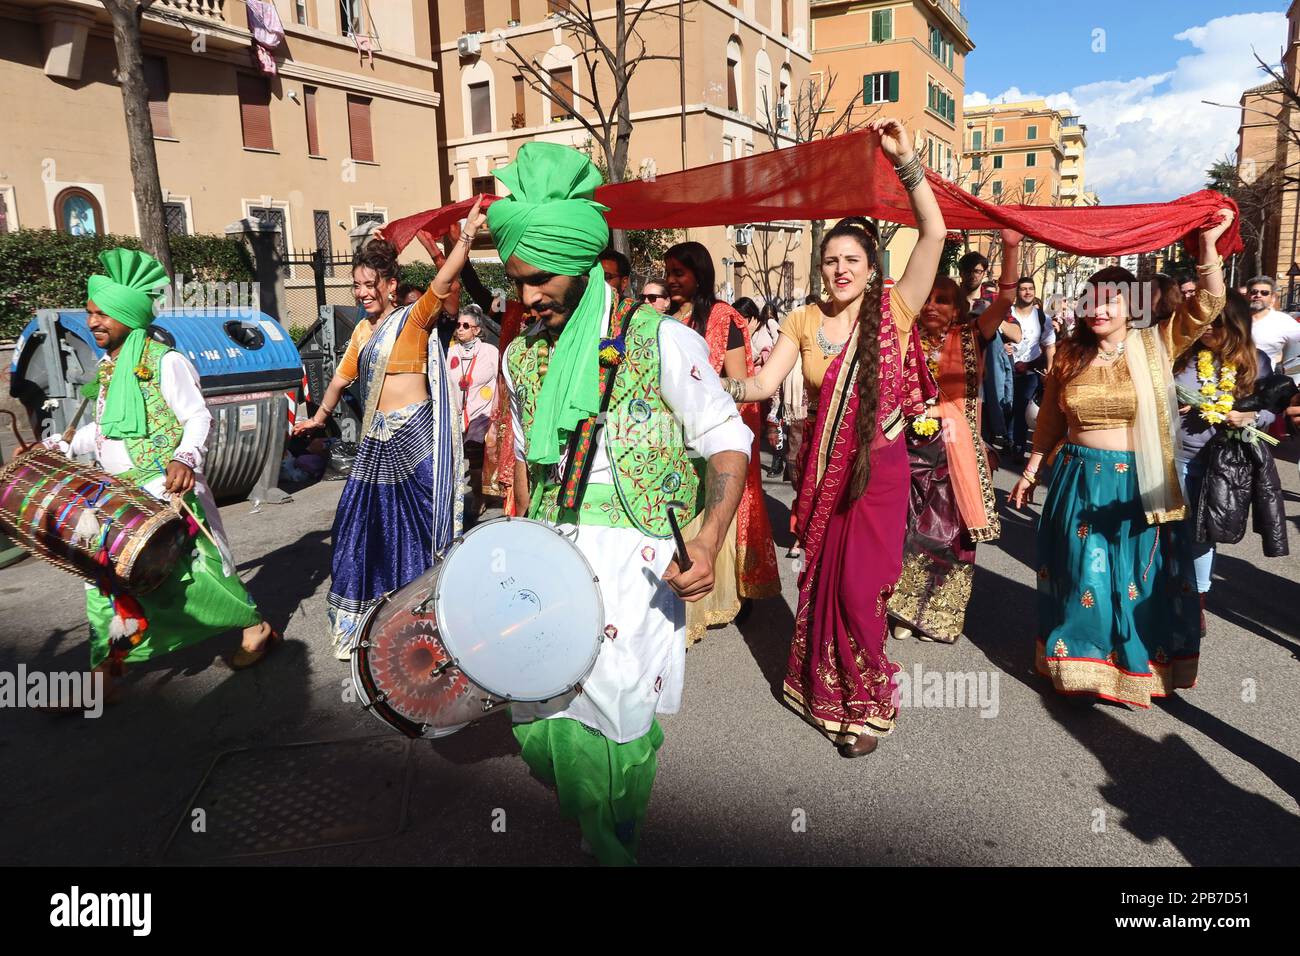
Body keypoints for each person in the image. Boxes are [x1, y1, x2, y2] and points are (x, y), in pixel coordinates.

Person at [492, 141, 751, 865]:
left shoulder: (663, 339)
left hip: (636, 563)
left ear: (578, 262)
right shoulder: (521, 358)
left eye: (537, 279)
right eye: (515, 283)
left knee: (614, 712)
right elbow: (523, 468)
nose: (526, 299)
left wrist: (704, 543)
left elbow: (728, 442)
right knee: (539, 716)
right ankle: (598, 827)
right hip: (549, 557)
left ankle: (612, 845)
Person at [723, 117, 946, 756]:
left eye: (852, 259)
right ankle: (833, 700)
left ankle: (869, 702)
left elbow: (934, 232)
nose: (840, 268)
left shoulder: (895, 307)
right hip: (822, 471)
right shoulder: (801, 318)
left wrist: (907, 165)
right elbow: (763, 387)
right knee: (820, 584)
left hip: (880, 472)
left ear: (872, 266)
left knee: (858, 589)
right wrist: (708, 386)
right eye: (830, 259)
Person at [1009, 209, 1235, 707]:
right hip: (1078, 479)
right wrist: (1030, 471)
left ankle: (1131, 665)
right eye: (1090, 299)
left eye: (1109, 300)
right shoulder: (1068, 354)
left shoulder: (1156, 344)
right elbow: (1048, 421)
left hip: (1139, 480)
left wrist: (1210, 246)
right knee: (1081, 571)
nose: (1097, 309)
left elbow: (1211, 302)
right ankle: (1081, 666)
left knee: (1135, 579)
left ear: (1131, 304)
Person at [46, 249, 279, 695]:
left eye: (103, 314)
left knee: (199, 578)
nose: (94, 322)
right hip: (120, 495)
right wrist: (58, 444)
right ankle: (106, 675)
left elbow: (199, 417)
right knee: (104, 584)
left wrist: (185, 458)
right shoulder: (110, 369)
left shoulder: (164, 362)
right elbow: (105, 433)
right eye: (91, 313)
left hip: (167, 490)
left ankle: (256, 628)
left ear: (126, 316)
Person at [294, 220, 472, 658]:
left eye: (369, 284)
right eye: (356, 285)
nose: (361, 292)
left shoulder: (412, 319)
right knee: (361, 527)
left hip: (416, 437)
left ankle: (432, 619)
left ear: (391, 285)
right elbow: (339, 380)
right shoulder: (361, 332)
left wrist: (466, 240)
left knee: (422, 528)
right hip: (377, 441)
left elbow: (444, 281)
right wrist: (317, 418)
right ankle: (370, 620)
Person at [888, 232, 1023, 645]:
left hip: (955, 451)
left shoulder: (970, 336)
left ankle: (938, 616)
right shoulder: (902, 339)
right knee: (905, 530)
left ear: (958, 308)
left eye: (943, 300)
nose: (932, 306)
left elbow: (1003, 302)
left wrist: (1012, 248)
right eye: (927, 298)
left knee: (949, 536)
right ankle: (901, 610)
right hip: (907, 448)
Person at [664, 241, 781, 643]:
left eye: (679, 272)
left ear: (700, 273)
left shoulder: (722, 318)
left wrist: (704, 392)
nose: (671, 280)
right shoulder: (662, 319)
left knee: (716, 515)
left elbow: (738, 380)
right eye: (668, 272)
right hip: (675, 436)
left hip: (713, 430)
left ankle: (720, 598)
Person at [1171, 289, 1275, 628]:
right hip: (1175, 456)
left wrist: (1251, 417)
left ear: (1235, 324)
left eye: (1215, 324)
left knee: (1203, 533)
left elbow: (1273, 411)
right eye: (1203, 323)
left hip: (1224, 465)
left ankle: (1194, 602)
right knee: (1169, 530)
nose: (1207, 330)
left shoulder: (1256, 362)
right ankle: (1165, 595)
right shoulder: (1184, 354)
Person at [446, 304, 500, 521]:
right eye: (458, 325)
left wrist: (496, 414)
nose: (460, 329)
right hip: (456, 414)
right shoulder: (449, 352)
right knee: (456, 460)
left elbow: (500, 381)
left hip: (482, 413)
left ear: (477, 330)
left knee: (475, 457)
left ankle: (479, 497)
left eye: (465, 325)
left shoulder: (490, 352)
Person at [1008, 275, 1056, 460]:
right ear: (1017, 292)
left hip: (1030, 371)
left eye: (1030, 289)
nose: (1027, 292)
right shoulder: (1008, 313)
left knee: (1022, 407)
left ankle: (1017, 446)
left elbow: (1050, 344)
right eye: (1023, 289)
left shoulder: (1043, 317)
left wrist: (1050, 370)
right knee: (1008, 407)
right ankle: (1008, 438)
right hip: (1007, 368)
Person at [1246, 275, 1300, 366]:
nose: (1258, 295)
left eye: (1264, 293)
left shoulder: (1282, 321)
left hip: (1263, 377)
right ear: (1247, 295)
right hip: (1228, 374)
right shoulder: (1235, 317)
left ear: (1272, 298)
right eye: (1254, 292)